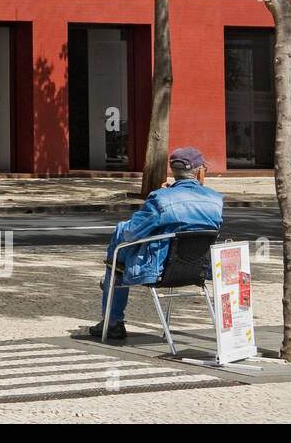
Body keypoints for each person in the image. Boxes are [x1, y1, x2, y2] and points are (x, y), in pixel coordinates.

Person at [90, 146, 223, 341]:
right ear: (199, 171)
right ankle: (113, 279)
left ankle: (112, 318)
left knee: (120, 236)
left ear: (174, 171)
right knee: (122, 254)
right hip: (199, 269)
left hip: (159, 270)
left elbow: (131, 233)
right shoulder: (216, 200)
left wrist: (163, 197)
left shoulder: (160, 198)